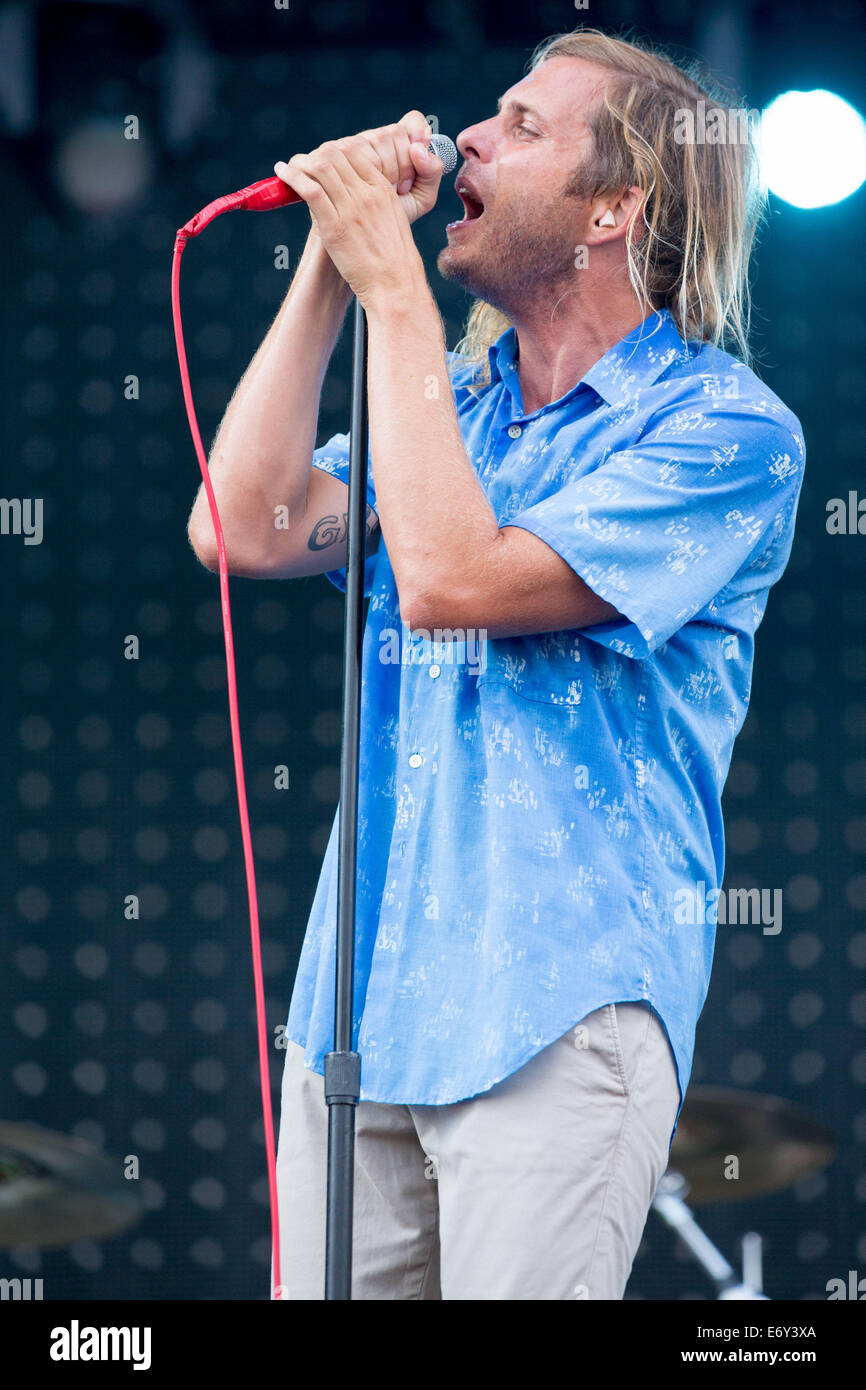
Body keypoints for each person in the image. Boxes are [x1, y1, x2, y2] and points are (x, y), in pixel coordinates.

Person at [187, 27, 805, 1300]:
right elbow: (237, 525)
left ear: (613, 207)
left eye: (523, 127)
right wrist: (329, 260)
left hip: (557, 1014)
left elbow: (454, 582)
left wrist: (397, 293)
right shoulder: (453, 414)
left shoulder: (723, 430)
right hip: (362, 1012)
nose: (469, 136)